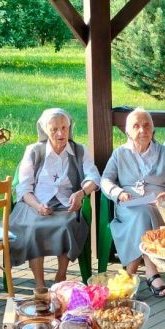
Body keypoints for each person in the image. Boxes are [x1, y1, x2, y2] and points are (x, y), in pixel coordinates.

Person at [100, 107, 165, 298]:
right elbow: (105, 180)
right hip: (128, 209)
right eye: (136, 126)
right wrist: (118, 193)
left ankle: (129, 274)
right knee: (142, 212)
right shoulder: (120, 154)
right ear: (128, 132)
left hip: (158, 209)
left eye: (146, 125)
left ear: (153, 130)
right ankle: (151, 274)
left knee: (146, 212)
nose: (142, 130)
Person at [10, 108, 100, 291]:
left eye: (64, 128)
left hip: (66, 202)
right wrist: (37, 205)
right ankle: (40, 283)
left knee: (67, 224)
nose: (60, 134)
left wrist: (81, 193)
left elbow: (94, 177)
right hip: (34, 202)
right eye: (54, 129)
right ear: (45, 130)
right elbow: (23, 188)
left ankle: (61, 275)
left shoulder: (80, 150)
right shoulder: (34, 151)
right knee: (34, 227)